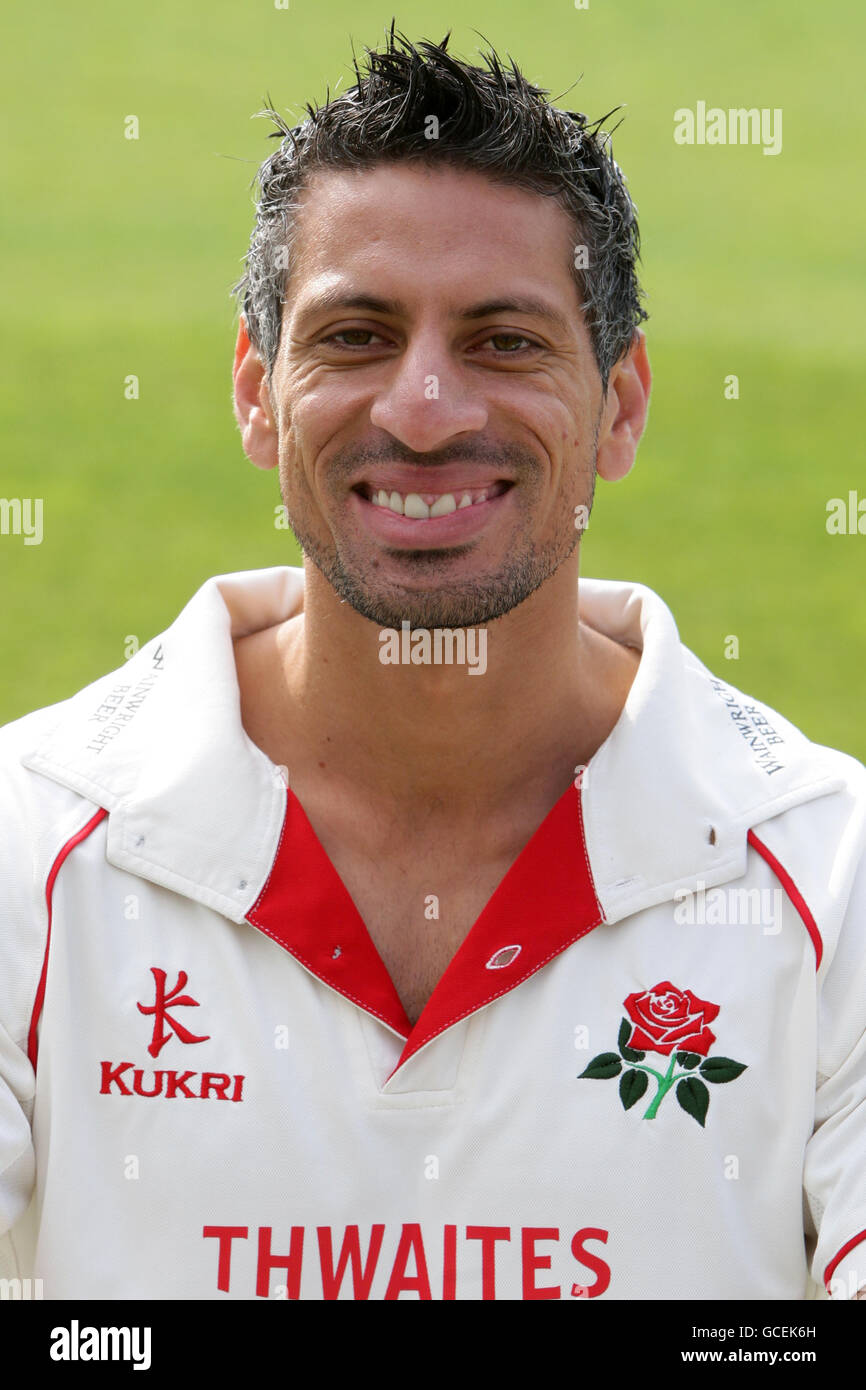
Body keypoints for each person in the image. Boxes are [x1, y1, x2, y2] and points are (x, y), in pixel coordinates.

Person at [1, 25, 864, 1302]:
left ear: (620, 404)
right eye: (353, 336)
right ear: (256, 390)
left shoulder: (829, 878)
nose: (422, 410)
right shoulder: (29, 845)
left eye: (503, 341)